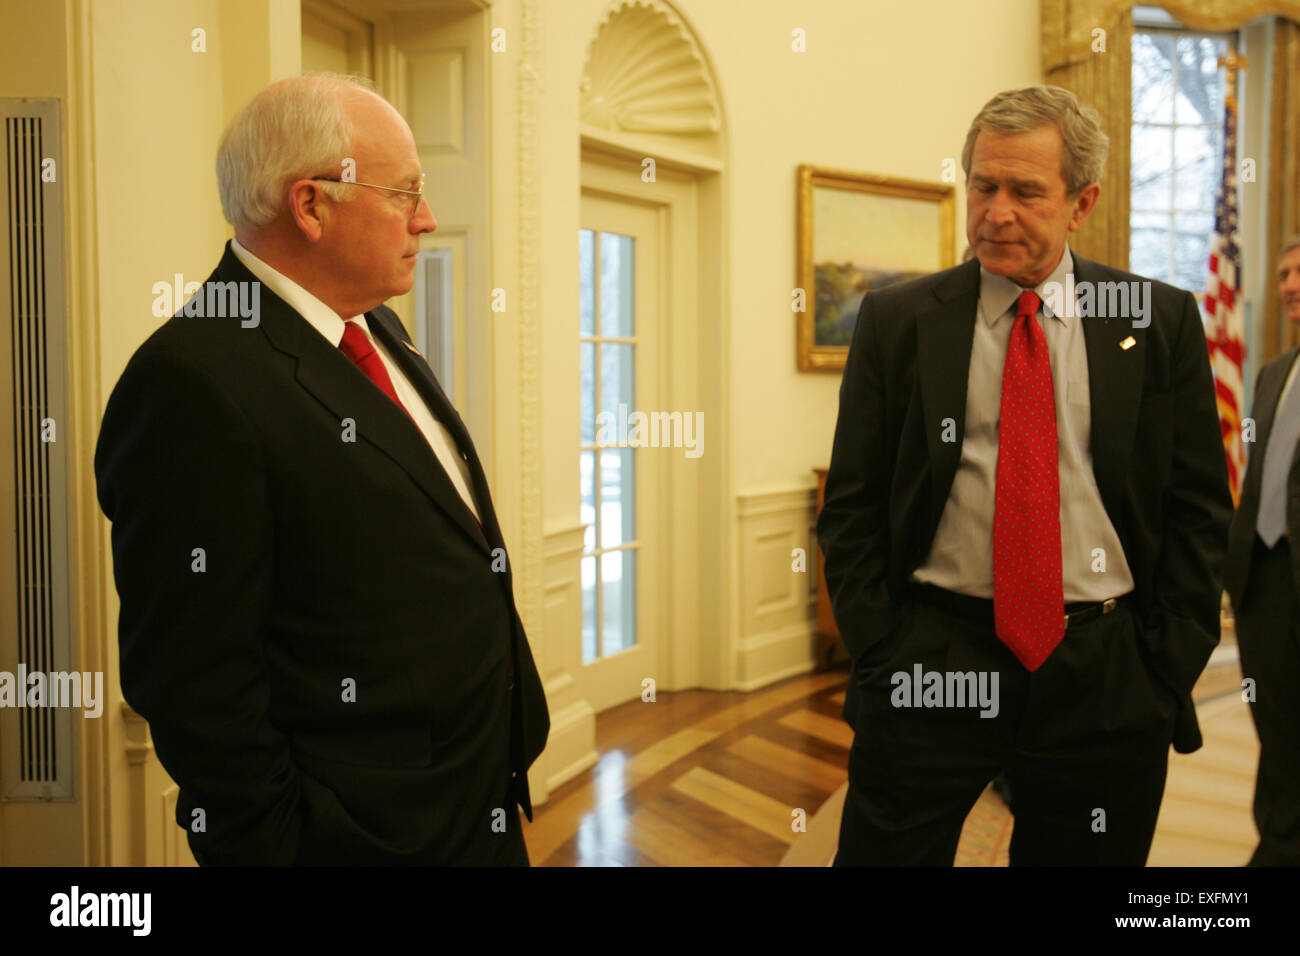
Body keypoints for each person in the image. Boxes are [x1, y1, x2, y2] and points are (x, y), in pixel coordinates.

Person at [94, 73, 548, 865]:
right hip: (363, 839)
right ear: (310, 205)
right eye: (404, 193)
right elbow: (199, 690)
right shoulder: (191, 383)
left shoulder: (373, 321)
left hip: (474, 797)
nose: (428, 219)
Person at [818, 85, 1232, 866]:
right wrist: (881, 650)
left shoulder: (1155, 321)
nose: (996, 211)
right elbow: (853, 505)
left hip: (1103, 674)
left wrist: (1162, 664)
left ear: (1083, 203)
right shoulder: (901, 321)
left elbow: (1198, 510)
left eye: (1025, 192)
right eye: (983, 184)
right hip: (933, 659)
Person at [1224, 235, 1300, 866]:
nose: (1288, 284)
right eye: (1283, 273)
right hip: (1264, 585)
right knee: (1276, 727)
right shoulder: (1275, 373)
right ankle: (1276, 840)